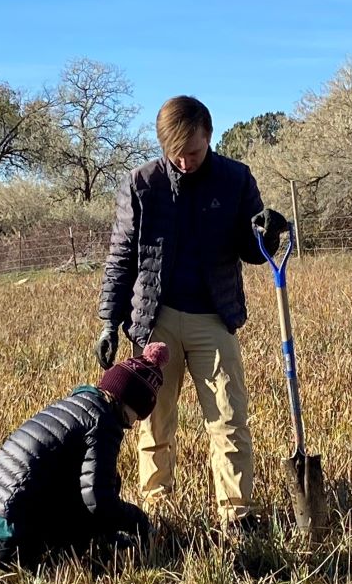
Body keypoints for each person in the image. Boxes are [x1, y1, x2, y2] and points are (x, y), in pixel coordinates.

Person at [96, 95, 289, 537]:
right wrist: (109, 321)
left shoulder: (236, 179)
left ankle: (237, 515)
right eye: (175, 154)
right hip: (154, 320)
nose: (185, 162)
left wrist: (268, 233)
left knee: (228, 419)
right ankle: (156, 511)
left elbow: (252, 250)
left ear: (209, 135)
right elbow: (121, 258)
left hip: (213, 318)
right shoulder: (141, 184)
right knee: (153, 421)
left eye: (194, 152)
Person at [0, 343, 170, 571]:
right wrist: (140, 523)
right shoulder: (103, 422)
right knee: (101, 491)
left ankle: (104, 538)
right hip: (13, 537)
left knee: (104, 478)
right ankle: (58, 562)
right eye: (136, 416)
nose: (133, 424)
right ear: (129, 403)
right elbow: (99, 501)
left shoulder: (77, 403)